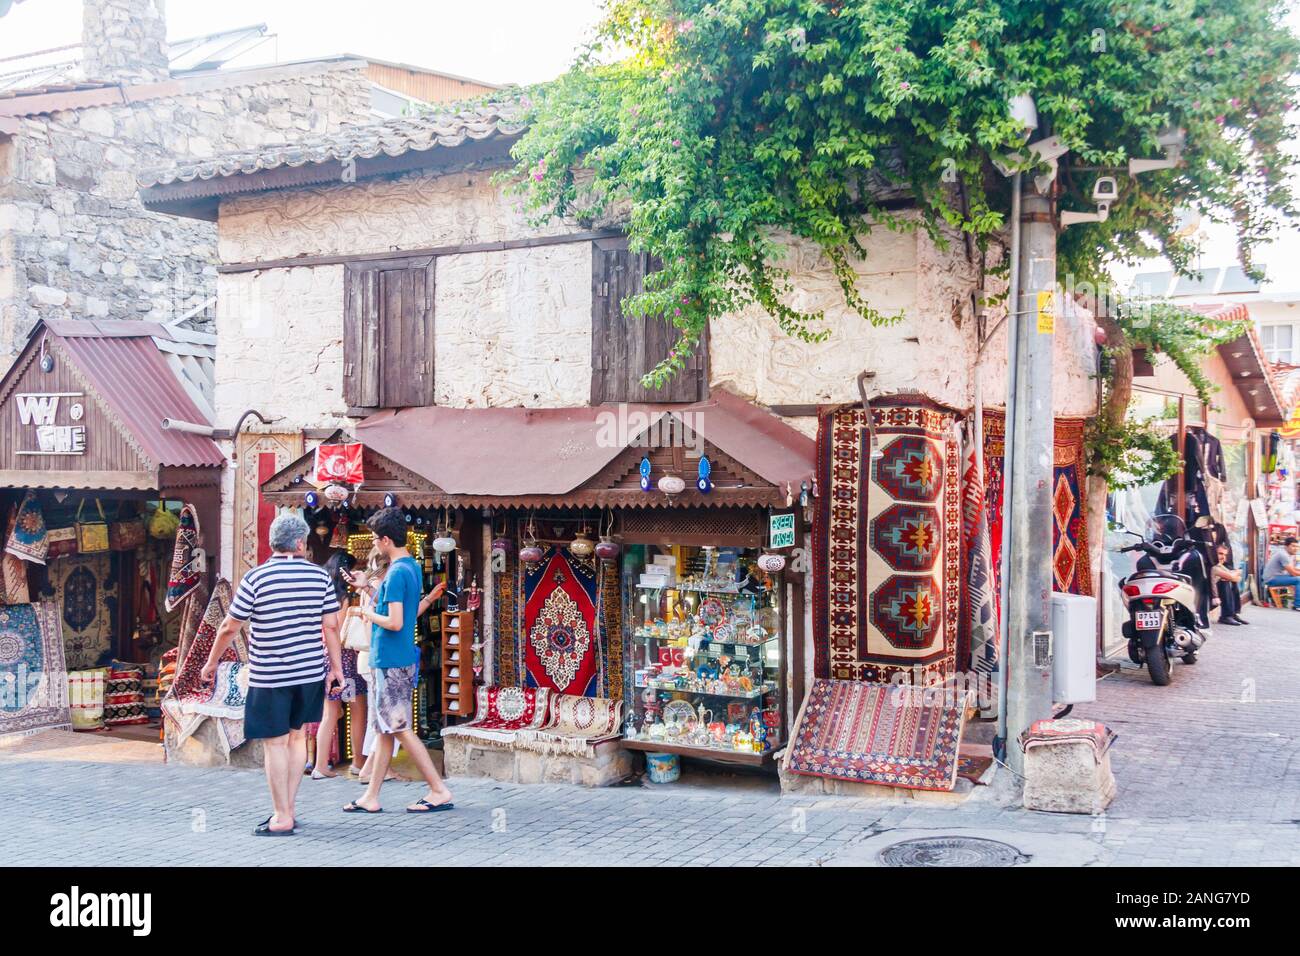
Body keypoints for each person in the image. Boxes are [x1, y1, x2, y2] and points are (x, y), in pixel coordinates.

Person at [202, 512, 343, 835]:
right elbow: (331, 626)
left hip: (270, 676)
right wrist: (336, 668)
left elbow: (229, 626)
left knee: (275, 744)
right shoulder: (320, 578)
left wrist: (211, 663)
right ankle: (288, 809)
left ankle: (281, 815)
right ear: (299, 543)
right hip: (309, 674)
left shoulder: (256, 578)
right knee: (296, 739)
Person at [343, 507, 452, 815]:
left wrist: (364, 612)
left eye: (376, 539)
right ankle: (372, 795)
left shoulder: (396, 572)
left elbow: (392, 622)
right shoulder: (410, 567)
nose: (375, 544)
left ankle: (438, 789)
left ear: (386, 540)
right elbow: (407, 615)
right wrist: (367, 587)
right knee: (386, 729)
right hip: (399, 657)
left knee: (399, 727)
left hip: (390, 659)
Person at [311, 552, 369, 779]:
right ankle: (357, 761)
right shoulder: (343, 598)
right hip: (344, 661)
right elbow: (338, 628)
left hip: (324, 658)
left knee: (330, 713)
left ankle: (320, 765)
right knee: (357, 710)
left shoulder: (320, 593)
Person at [1210, 544, 1247, 626]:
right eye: (1220, 553)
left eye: (1225, 555)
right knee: (1225, 582)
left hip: (1214, 595)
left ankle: (1233, 614)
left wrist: (1232, 575)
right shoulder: (1212, 566)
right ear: (1213, 553)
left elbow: (1238, 578)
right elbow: (1232, 576)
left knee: (1231, 582)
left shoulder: (1220, 565)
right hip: (1209, 597)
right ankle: (1226, 616)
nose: (1223, 557)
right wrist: (1231, 576)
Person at [1262, 536, 1300, 610]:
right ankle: (1298, 605)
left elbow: (1293, 569)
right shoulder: (1283, 555)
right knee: (1298, 580)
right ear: (1286, 546)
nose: (1296, 548)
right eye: (1293, 546)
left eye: (1297, 546)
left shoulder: (1289, 554)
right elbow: (1293, 573)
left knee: (1297, 578)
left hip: (1278, 576)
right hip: (1271, 579)